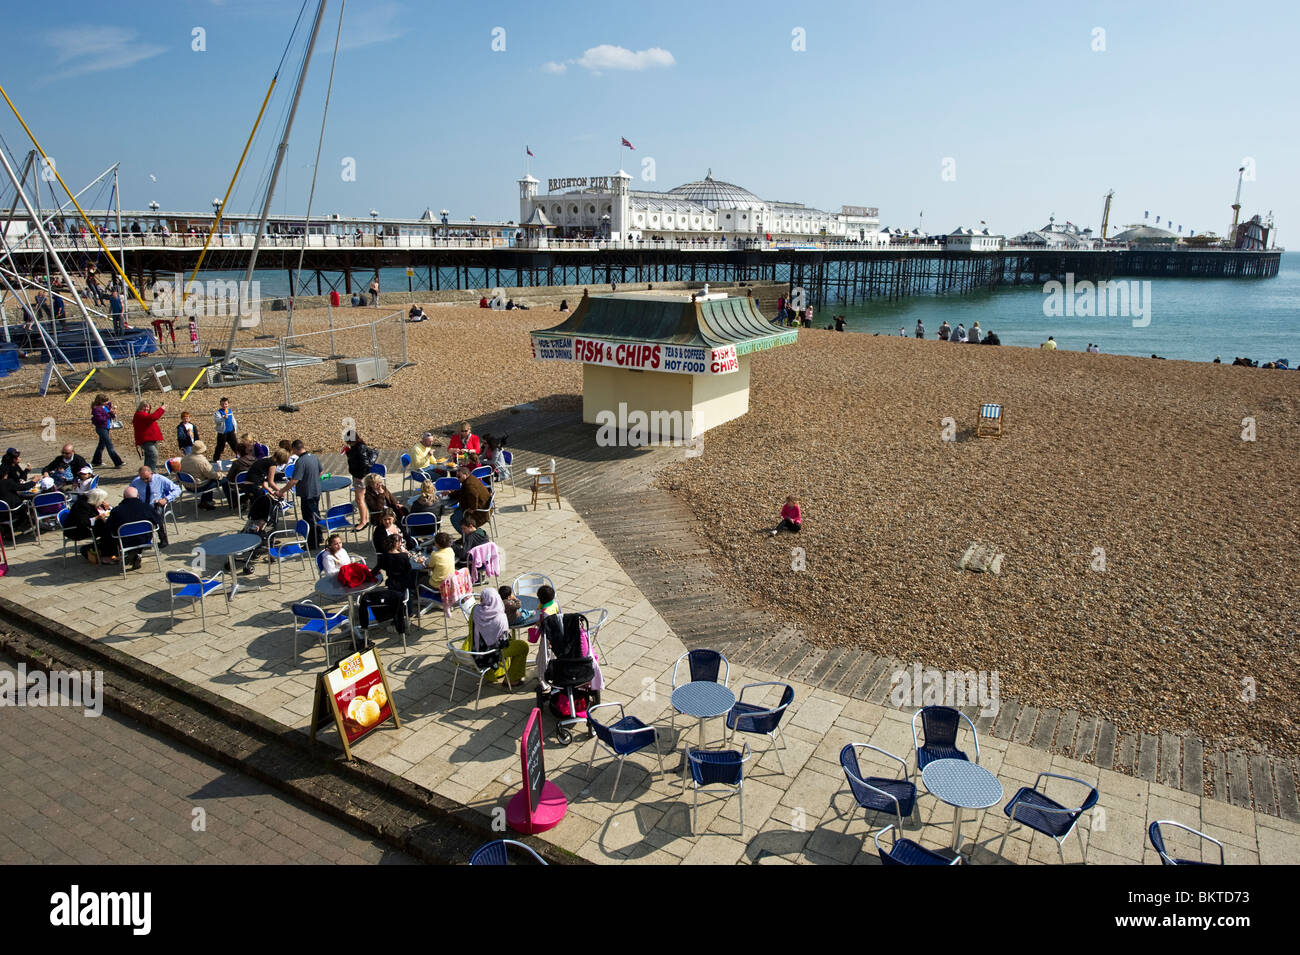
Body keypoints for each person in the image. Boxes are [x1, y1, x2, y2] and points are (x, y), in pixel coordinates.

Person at [471, 588, 530, 685]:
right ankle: (512, 679)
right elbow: (504, 642)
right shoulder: (500, 616)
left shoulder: (476, 610)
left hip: (477, 651)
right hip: (492, 653)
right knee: (523, 646)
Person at [104, 487, 160, 568]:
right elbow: (158, 520)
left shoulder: (116, 511)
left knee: (113, 534)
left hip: (125, 541)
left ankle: (132, 555)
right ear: (138, 496)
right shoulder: (146, 507)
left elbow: (109, 527)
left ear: (123, 496)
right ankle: (135, 555)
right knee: (138, 534)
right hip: (145, 539)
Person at [128, 465, 180, 546]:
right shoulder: (136, 482)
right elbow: (129, 493)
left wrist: (166, 499)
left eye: (147, 478)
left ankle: (163, 539)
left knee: (156, 517)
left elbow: (177, 489)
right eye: (143, 479)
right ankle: (142, 540)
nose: (145, 481)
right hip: (143, 505)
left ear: (151, 473)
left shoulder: (160, 479)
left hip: (156, 504)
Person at [285, 439, 322, 548]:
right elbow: (321, 472)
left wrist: (282, 490)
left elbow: (294, 480)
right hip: (316, 491)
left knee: (309, 518)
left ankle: (312, 543)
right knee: (316, 514)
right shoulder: (314, 457)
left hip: (307, 494)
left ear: (295, 449)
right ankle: (319, 536)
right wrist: (313, 480)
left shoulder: (300, 461)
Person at [179, 441, 230, 510]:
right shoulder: (202, 461)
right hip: (198, 486)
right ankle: (232, 502)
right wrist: (221, 475)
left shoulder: (185, 458)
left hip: (187, 485)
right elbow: (211, 475)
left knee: (206, 478)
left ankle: (206, 501)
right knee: (224, 480)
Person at [69, 487, 111, 561]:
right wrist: (97, 517)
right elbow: (83, 522)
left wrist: (108, 508)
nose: (103, 501)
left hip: (90, 526)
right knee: (108, 530)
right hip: (78, 530)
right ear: (96, 499)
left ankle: (106, 549)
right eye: (102, 499)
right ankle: (105, 551)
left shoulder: (92, 501)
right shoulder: (82, 506)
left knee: (109, 528)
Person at [344, 434, 375, 529]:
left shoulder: (359, 448)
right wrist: (348, 452)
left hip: (360, 476)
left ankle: (363, 521)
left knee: (359, 499)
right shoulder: (357, 447)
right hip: (358, 475)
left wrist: (361, 476)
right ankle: (365, 518)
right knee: (362, 499)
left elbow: (364, 463)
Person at [449, 465, 490, 531]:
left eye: (459, 476)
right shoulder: (471, 479)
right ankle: (467, 535)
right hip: (484, 508)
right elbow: (462, 491)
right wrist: (450, 494)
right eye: (457, 477)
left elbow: (473, 500)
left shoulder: (469, 485)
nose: (458, 478)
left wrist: (471, 509)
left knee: (454, 519)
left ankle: (467, 536)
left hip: (480, 513)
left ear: (465, 475)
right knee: (456, 511)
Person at [90, 395, 125, 469]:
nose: (106, 402)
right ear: (100, 401)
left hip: (106, 427)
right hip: (101, 428)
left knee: (101, 445)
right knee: (109, 445)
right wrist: (108, 414)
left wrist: (112, 412)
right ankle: (117, 462)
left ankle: (96, 461)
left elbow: (111, 415)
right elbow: (100, 419)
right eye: (104, 401)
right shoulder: (97, 409)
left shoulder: (105, 407)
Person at [133, 400, 167, 468]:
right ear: (140, 407)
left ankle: (146, 472)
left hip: (152, 439)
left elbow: (151, 418)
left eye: (148, 407)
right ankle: (152, 473)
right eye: (144, 407)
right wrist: (161, 409)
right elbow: (153, 417)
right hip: (146, 440)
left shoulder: (145, 415)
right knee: (153, 454)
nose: (146, 409)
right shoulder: (140, 414)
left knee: (149, 456)